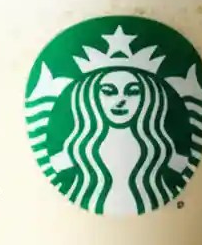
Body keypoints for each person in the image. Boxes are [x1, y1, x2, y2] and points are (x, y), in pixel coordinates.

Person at [47, 68, 190, 215]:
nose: (121, 100)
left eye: (133, 92)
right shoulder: (70, 154)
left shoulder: (166, 153)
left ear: (146, 98)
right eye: (109, 92)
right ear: (92, 98)